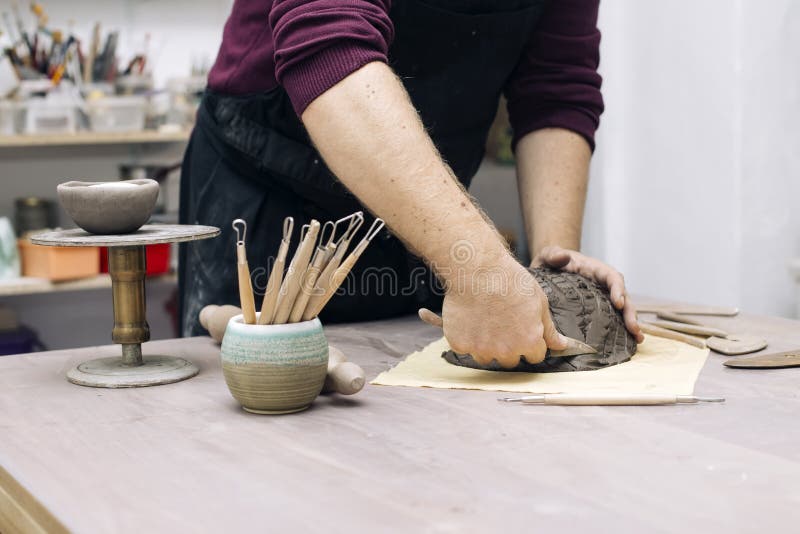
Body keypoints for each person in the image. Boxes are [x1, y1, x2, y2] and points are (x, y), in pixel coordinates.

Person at [179, 0, 643, 369]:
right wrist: (478, 266)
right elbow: (328, 44)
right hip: (271, 196)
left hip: (424, 213)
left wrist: (553, 269)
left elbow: (555, 86)